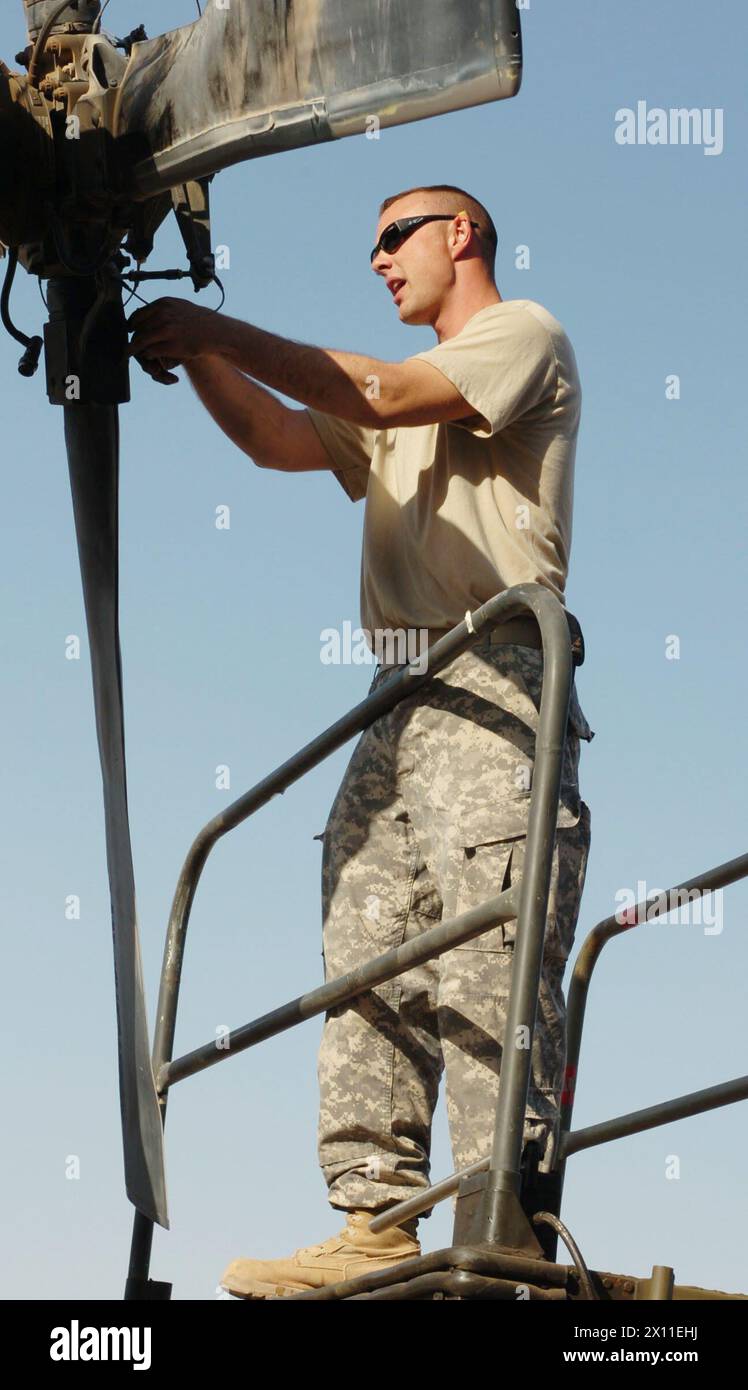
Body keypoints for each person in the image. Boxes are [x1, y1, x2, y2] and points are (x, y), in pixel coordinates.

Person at [128, 183, 594, 1300]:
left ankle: (501, 1217)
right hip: (401, 689)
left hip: (494, 666)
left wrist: (216, 327)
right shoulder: (391, 398)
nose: (378, 260)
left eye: (394, 237)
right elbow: (277, 438)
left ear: (460, 234)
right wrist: (195, 351)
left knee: (492, 936)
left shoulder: (517, 337)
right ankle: (376, 1216)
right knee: (370, 937)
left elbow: (380, 394)